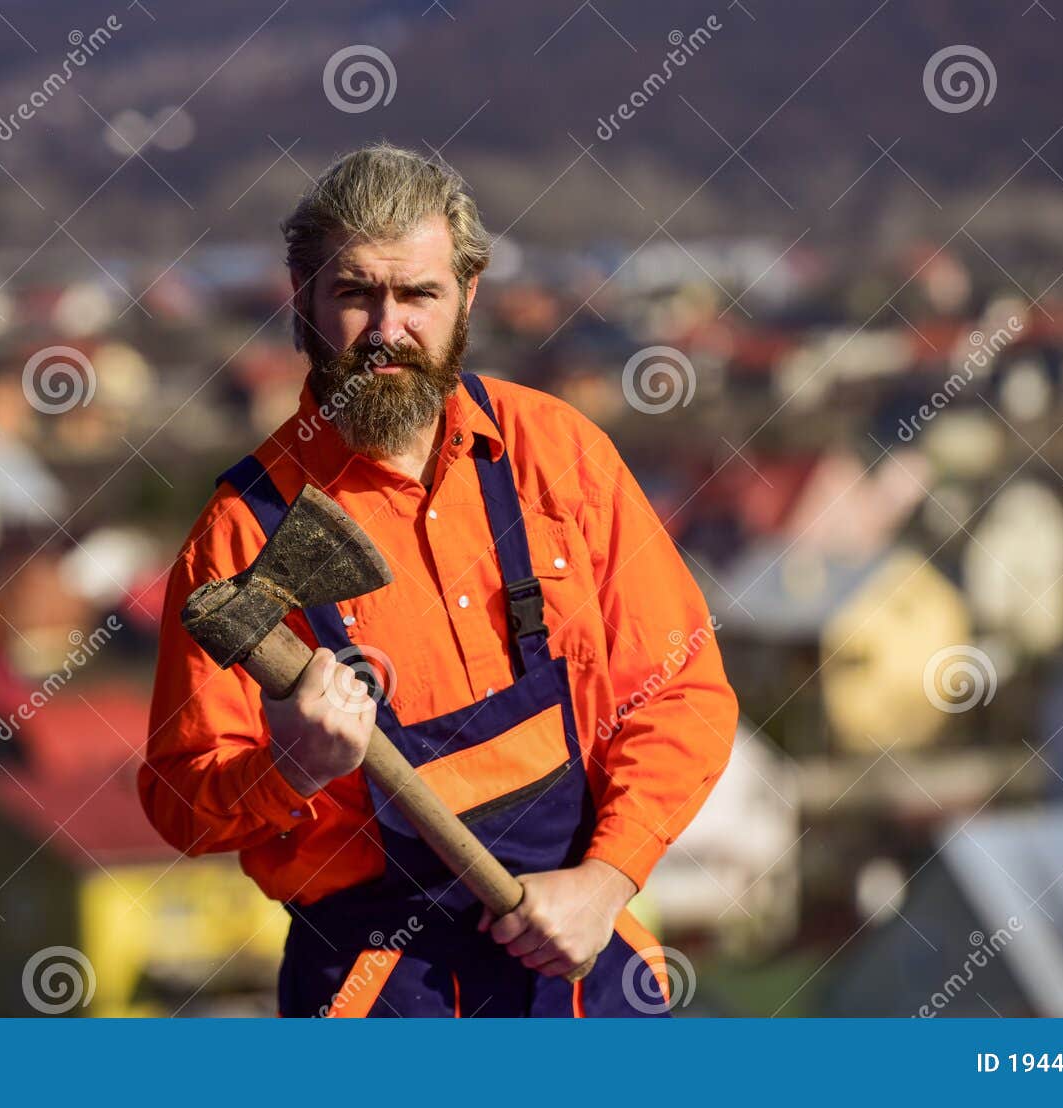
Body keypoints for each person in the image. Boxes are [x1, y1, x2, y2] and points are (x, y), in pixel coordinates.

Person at [139, 142, 737, 1017]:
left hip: (580, 959)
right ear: (303, 297)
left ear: (468, 295)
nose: (388, 331)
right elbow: (178, 801)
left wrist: (609, 878)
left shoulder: (557, 456)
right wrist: (289, 771)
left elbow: (680, 687)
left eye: (418, 294)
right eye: (355, 295)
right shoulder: (242, 538)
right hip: (384, 999)